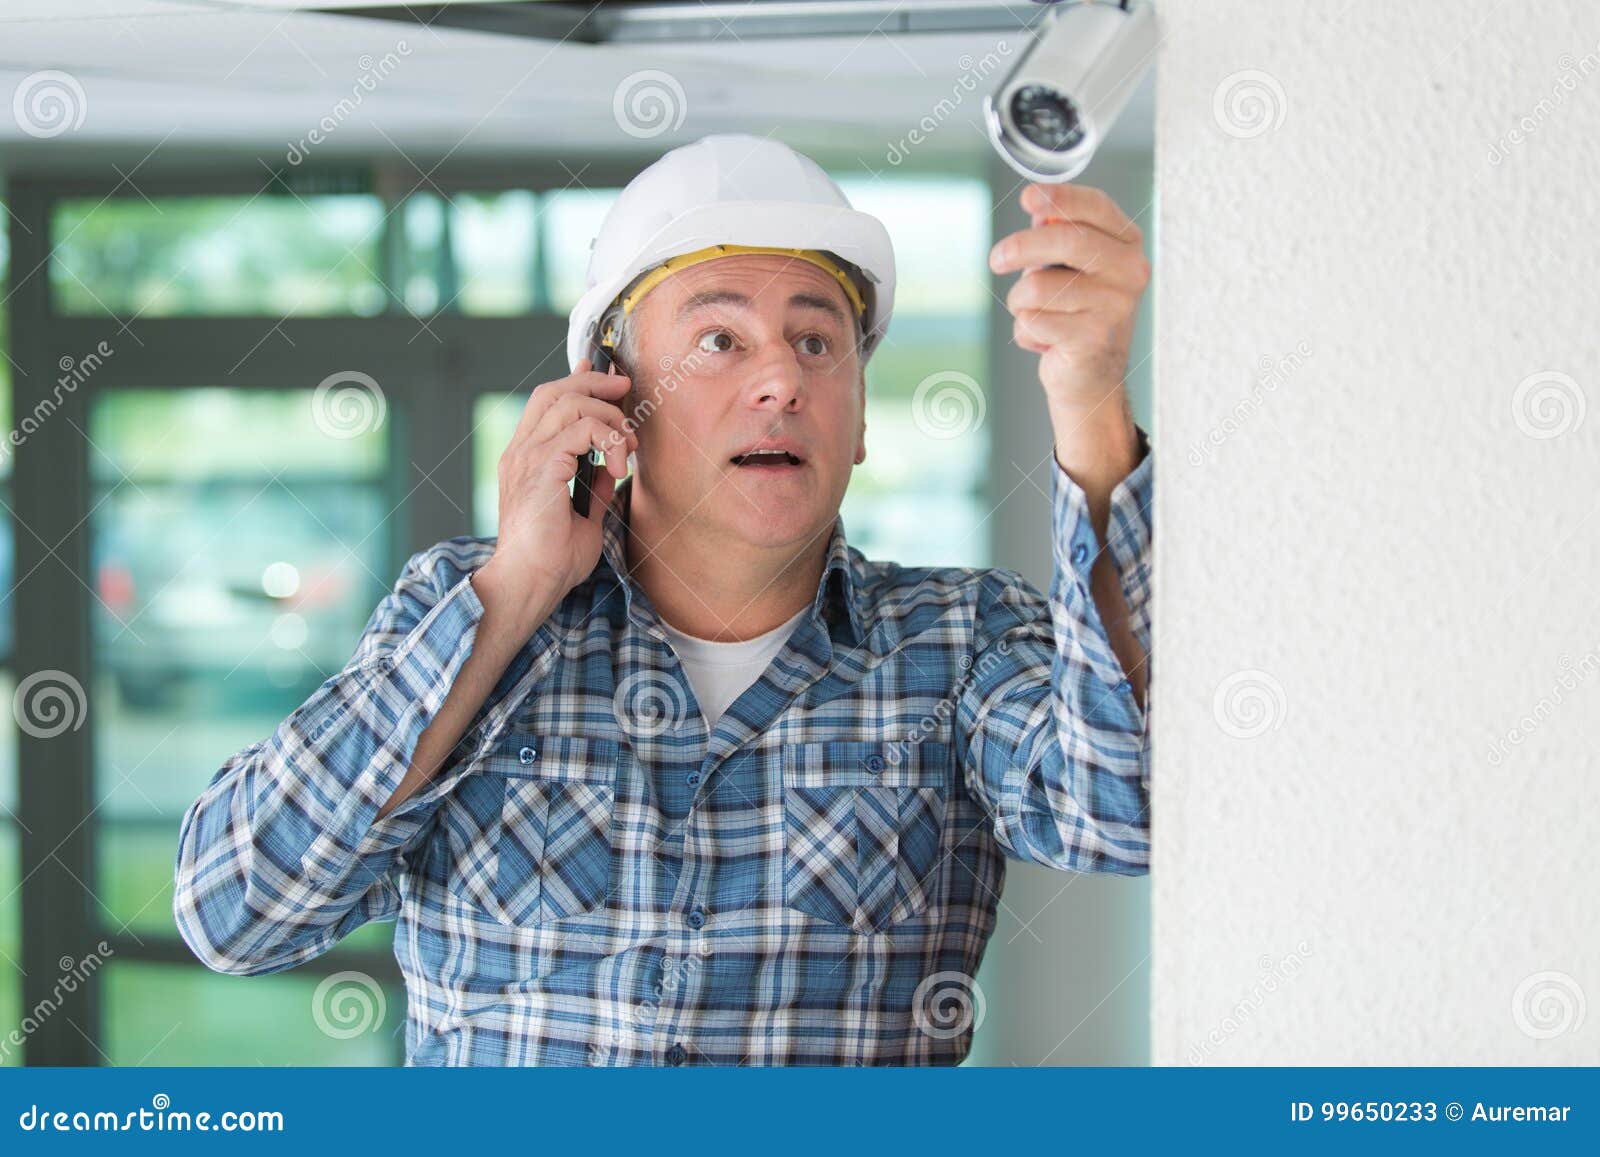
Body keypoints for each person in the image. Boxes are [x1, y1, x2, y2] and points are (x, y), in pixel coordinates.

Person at [173, 132, 1154, 1066]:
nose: (780, 378)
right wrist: (515, 587)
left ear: (857, 418)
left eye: (817, 342)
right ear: (610, 394)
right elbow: (237, 909)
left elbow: (1124, 805)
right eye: (719, 339)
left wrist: (1089, 403)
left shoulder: (963, 641)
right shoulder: (461, 614)